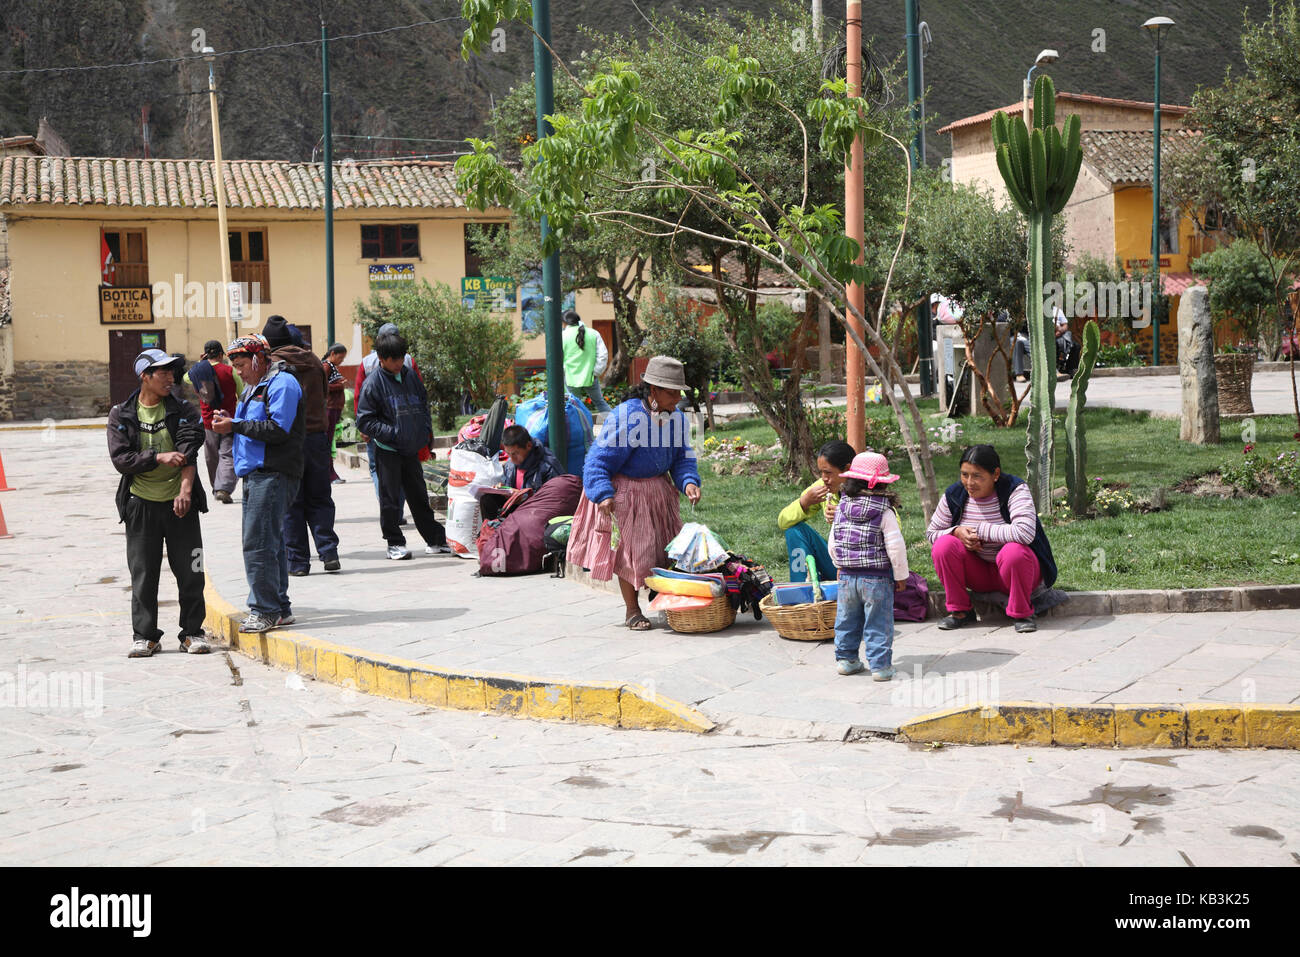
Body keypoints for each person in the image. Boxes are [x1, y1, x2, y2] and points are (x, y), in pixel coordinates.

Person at [567, 356, 702, 630]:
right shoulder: (628, 417)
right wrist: (603, 493)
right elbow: (597, 460)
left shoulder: (675, 419)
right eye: (671, 392)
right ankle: (632, 610)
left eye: (679, 392)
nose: (677, 398)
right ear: (653, 390)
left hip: (658, 492)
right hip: (627, 493)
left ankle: (663, 600)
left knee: (664, 551)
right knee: (631, 553)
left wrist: (688, 481)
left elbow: (682, 458)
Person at [108, 349, 211, 657]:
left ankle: (193, 632)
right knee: (143, 573)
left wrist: (185, 491)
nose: (170, 378)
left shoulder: (183, 410)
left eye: (172, 372)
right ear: (145, 377)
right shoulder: (121, 414)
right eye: (162, 372)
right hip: (140, 505)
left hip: (181, 504)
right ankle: (146, 636)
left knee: (192, 570)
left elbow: (189, 453)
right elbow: (121, 459)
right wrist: (157, 456)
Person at [211, 334, 305, 633]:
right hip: (255, 473)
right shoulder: (255, 388)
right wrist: (230, 420)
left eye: (241, 365)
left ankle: (264, 610)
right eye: (235, 366)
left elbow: (278, 429)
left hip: (273, 473)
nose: (238, 372)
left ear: (258, 359)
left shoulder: (282, 384)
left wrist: (235, 424)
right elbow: (250, 425)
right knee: (270, 542)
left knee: (259, 543)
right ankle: (279, 607)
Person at [926, 444, 1058, 634]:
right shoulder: (954, 495)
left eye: (977, 476)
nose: (969, 483)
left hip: (1016, 572)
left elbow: (1025, 533)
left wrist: (981, 530)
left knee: (1014, 551)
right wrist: (956, 532)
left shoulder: (1015, 490)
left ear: (995, 474)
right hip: (980, 574)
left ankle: (1021, 613)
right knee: (943, 546)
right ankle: (960, 611)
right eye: (964, 474)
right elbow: (931, 534)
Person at [355, 329, 450, 560]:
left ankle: (435, 539)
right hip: (388, 450)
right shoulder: (373, 384)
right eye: (393, 359)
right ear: (381, 359)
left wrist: (426, 432)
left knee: (419, 497)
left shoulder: (410, 376)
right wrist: (392, 433)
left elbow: (423, 405)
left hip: (411, 448)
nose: (398, 363)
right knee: (390, 501)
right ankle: (394, 543)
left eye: (401, 358)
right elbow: (365, 420)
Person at [262, 315, 340, 576]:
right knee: (320, 497)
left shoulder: (272, 365)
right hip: (317, 437)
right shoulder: (316, 361)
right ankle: (329, 551)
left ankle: (297, 562)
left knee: (292, 503)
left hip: (289, 440)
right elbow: (326, 395)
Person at [830, 452, 909, 680]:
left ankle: (846, 660)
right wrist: (901, 575)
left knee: (846, 619)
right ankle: (881, 666)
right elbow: (895, 547)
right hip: (877, 578)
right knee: (878, 622)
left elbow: (833, 541)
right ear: (882, 484)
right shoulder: (885, 511)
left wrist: (839, 563)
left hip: (846, 576)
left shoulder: (842, 508)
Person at [355, 322, 422, 513]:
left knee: (378, 470)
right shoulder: (409, 360)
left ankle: (389, 507)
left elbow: (359, 396)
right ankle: (394, 511)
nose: (398, 364)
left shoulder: (366, 362)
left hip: (385, 431)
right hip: (391, 430)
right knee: (394, 474)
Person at [777, 440, 855, 583]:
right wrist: (804, 503)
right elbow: (783, 522)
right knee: (793, 530)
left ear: (847, 469)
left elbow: (891, 528)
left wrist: (846, 515)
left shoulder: (869, 489)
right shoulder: (823, 488)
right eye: (821, 472)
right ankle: (802, 588)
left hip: (865, 569)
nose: (824, 478)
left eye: (828, 472)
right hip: (837, 565)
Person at [183, 339, 241, 503]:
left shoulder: (197, 372)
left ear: (206, 354)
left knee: (211, 456)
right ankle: (224, 487)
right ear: (221, 354)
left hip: (208, 422)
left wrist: (200, 363)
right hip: (229, 419)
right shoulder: (231, 371)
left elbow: (186, 377)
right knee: (228, 454)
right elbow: (242, 393)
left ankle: (216, 487)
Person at [561, 309, 612, 414]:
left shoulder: (562, 336)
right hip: (590, 376)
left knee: (575, 406)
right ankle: (617, 424)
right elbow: (603, 355)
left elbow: (558, 358)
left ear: (564, 322)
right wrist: (596, 372)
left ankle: (581, 427)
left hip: (570, 377)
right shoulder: (593, 333)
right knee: (600, 403)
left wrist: (564, 371)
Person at [501, 424, 564, 491]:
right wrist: (502, 489)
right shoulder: (509, 465)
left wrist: (522, 496)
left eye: (515, 454)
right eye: (508, 453)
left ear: (529, 445)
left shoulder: (549, 468)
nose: (512, 459)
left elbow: (556, 497)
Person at [322, 343, 348, 483]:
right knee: (327, 441)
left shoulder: (331, 367)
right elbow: (322, 385)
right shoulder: (326, 366)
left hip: (334, 408)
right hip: (329, 408)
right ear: (332, 354)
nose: (341, 361)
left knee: (328, 441)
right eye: (340, 358)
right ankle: (329, 474)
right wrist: (340, 385)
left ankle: (330, 473)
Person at [1055, 311, 1079, 377]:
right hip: (1048, 336)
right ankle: (1055, 369)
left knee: (1076, 346)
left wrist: (1060, 330)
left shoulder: (1057, 310)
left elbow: (1065, 325)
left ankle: (1070, 369)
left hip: (1061, 334)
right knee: (1055, 345)